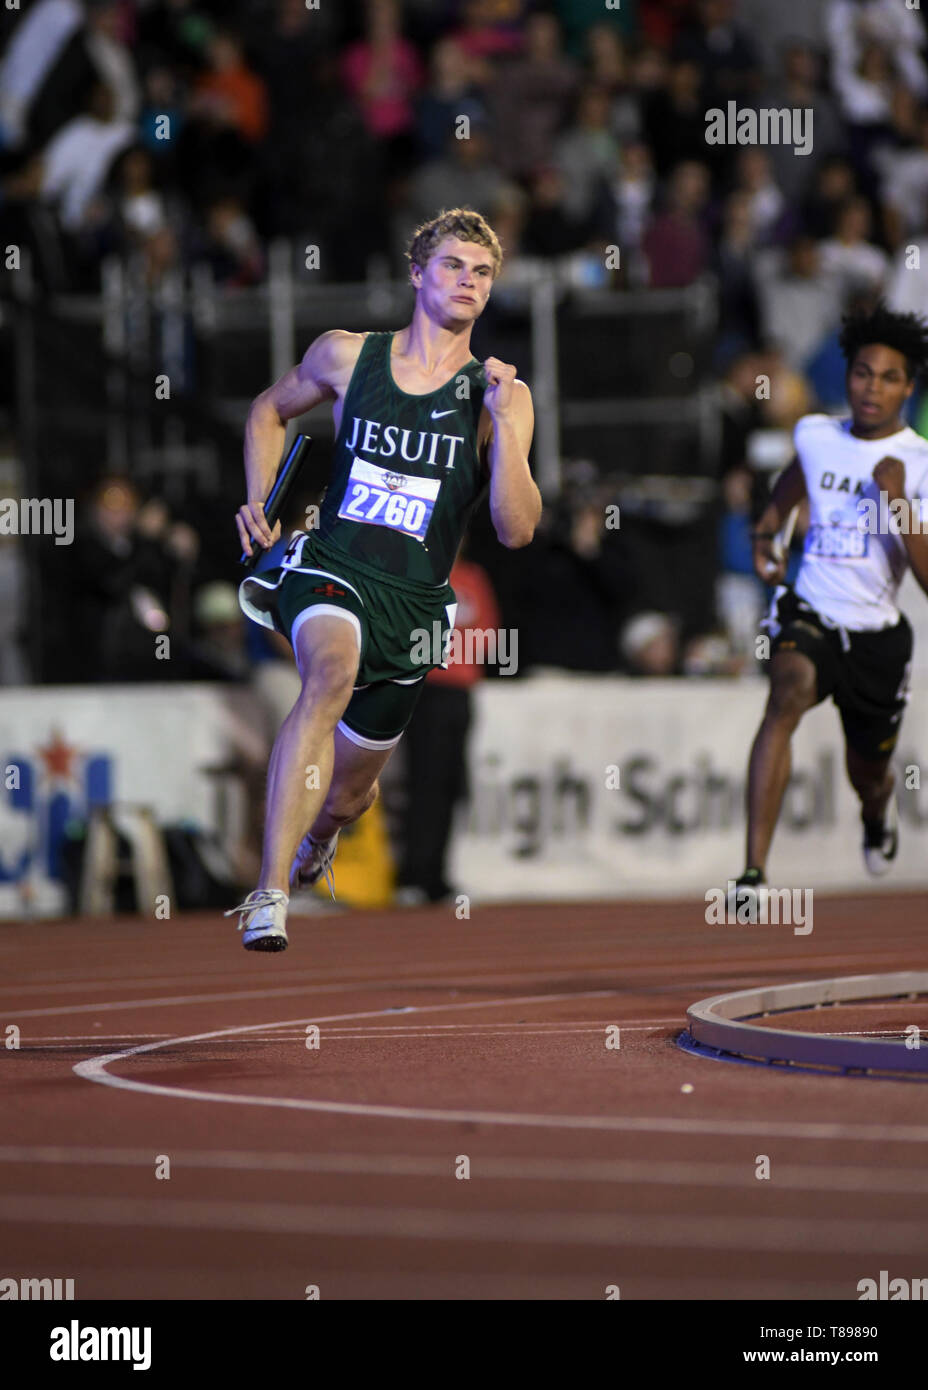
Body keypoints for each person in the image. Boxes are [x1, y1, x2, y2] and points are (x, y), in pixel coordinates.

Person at [227, 207, 539, 951]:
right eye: (454, 266)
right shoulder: (346, 356)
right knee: (328, 676)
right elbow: (270, 413)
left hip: (418, 604)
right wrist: (260, 501)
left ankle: (319, 836)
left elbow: (517, 527)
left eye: (483, 272)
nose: (468, 281)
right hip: (332, 566)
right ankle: (269, 893)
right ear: (417, 273)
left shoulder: (502, 396)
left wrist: (504, 433)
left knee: (351, 793)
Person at [735, 302, 928, 903]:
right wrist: (769, 529)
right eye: (863, 373)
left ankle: (876, 812)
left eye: (889, 377)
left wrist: (897, 502)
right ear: (848, 375)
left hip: (876, 635)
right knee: (785, 691)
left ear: (909, 387)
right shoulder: (817, 434)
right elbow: (795, 481)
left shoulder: (921, 463)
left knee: (867, 771)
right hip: (812, 608)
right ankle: (753, 876)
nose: (873, 388)